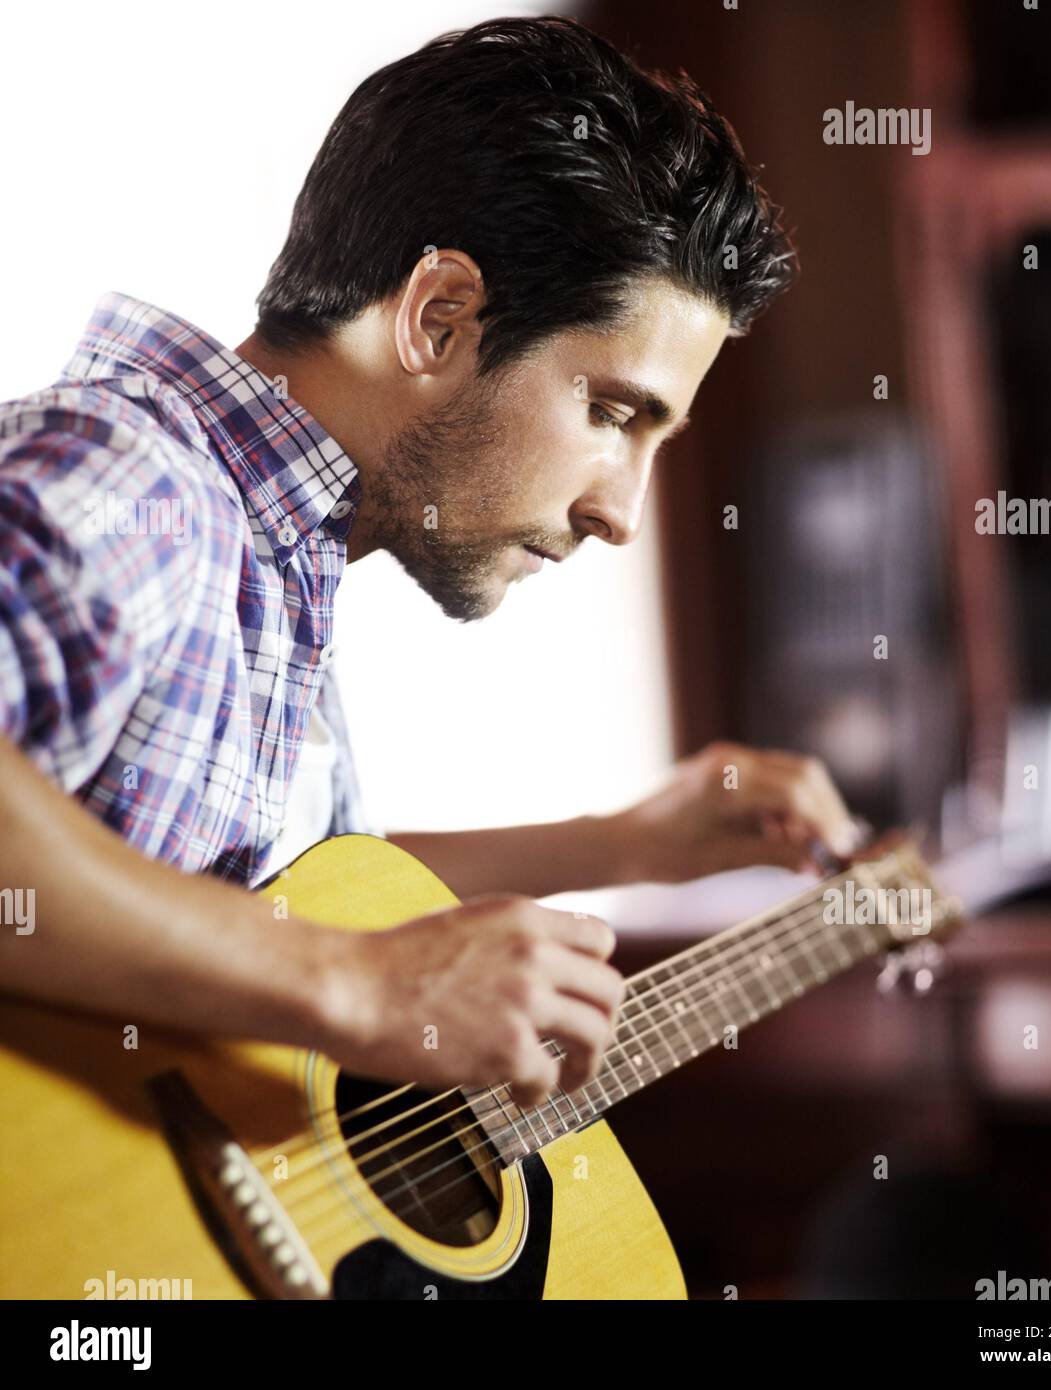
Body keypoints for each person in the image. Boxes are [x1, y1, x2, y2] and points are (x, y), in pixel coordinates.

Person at [0, 16, 856, 1110]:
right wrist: (355, 986)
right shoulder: (142, 490)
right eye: (609, 411)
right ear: (439, 316)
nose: (619, 512)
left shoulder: (270, 555)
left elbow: (283, 904)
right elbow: (342, 959)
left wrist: (625, 842)